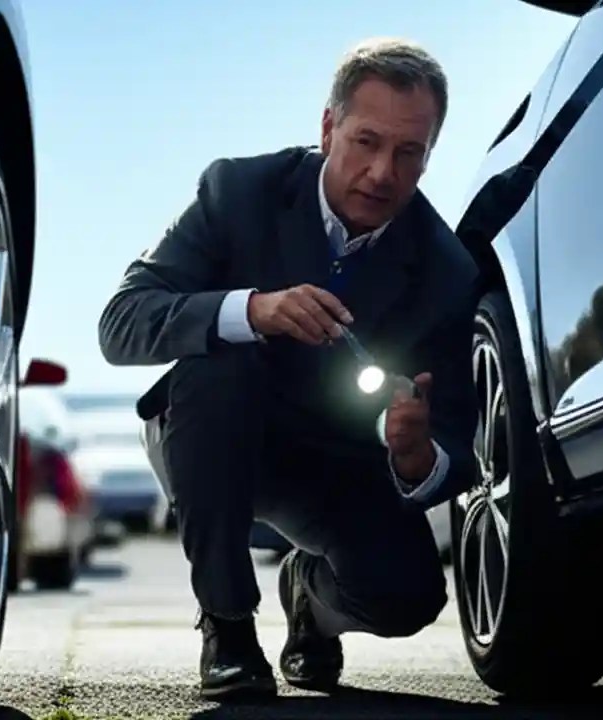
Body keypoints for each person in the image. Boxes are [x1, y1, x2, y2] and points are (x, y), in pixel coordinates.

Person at [98, 37, 480, 700]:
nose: (384, 173)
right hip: (209, 431)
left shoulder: (448, 270)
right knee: (219, 367)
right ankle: (227, 625)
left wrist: (416, 454)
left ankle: (310, 598)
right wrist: (252, 310)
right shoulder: (236, 191)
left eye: (409, 152)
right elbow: (122, 321)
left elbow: (455, 443)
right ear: (328, 128)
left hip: (337, 467)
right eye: (366, 141)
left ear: (429, 155)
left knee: (410, 595)